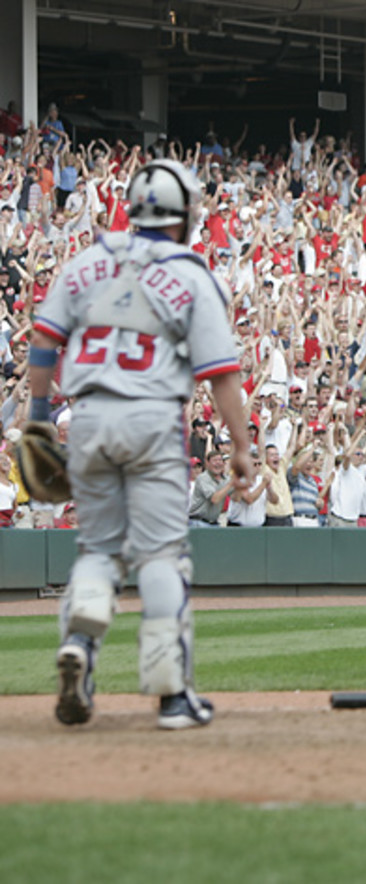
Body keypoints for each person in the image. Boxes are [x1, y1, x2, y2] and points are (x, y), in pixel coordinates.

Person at [29, 158, 252, 730]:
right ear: (184, 216)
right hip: (153, 419)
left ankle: (81, 642)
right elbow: (222, 373)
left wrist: (36, 416)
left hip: (89, 416)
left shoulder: (88, 260)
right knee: (160, 556)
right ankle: (172, 697)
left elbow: (43, 340)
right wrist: (241, 447)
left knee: (99, 550)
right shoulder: (191, 272)